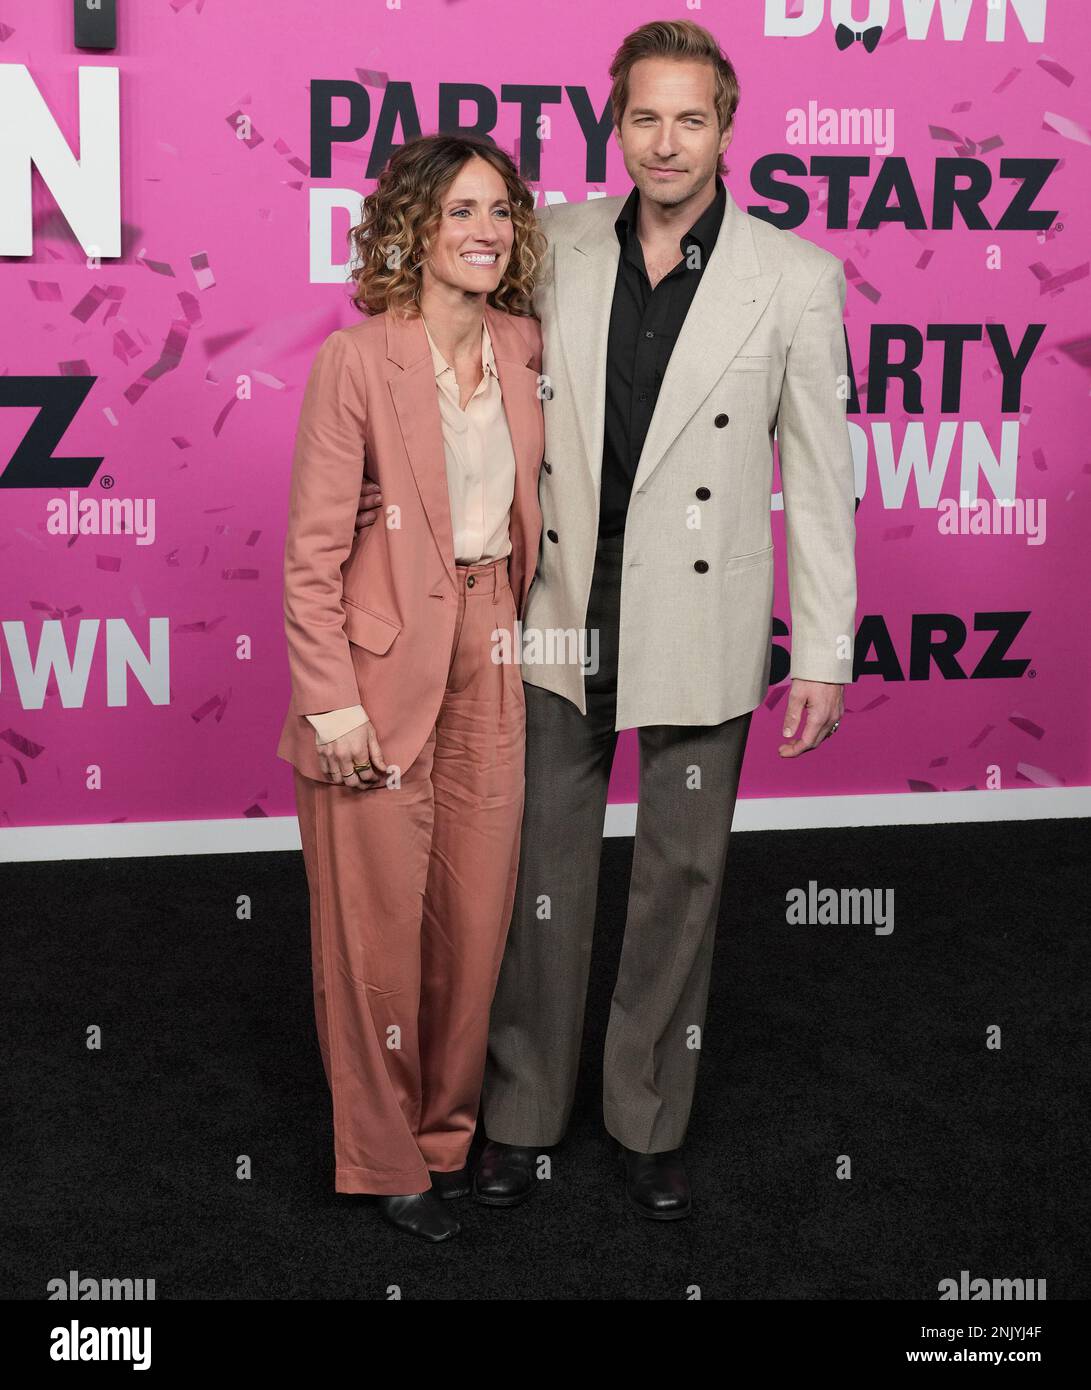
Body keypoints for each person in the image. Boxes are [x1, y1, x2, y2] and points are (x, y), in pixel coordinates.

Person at [354, 19, 857, 1222]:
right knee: (539, 872)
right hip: (558, 609)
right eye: (643, 117)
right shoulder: (552, 246)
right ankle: (522, 1117)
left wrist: (825, 651)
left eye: (690, 118)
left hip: (702, 613)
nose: (665, 142)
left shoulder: (794, 279)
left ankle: (646, 1116)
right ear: (613, 124)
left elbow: (822, 476)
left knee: (680, 880)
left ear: (728, 127)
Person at [276, 132, 546, 1241]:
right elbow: (310, 553)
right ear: (414, 230)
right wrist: (330, 700)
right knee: (377, 930)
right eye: (460, 211)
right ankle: (384, 1157)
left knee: (473, 918)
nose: (484, 230)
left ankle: (446, 1134)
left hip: (496, 651)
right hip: (376, 667)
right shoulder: (358, 360)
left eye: (499, 211)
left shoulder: (525, 345)